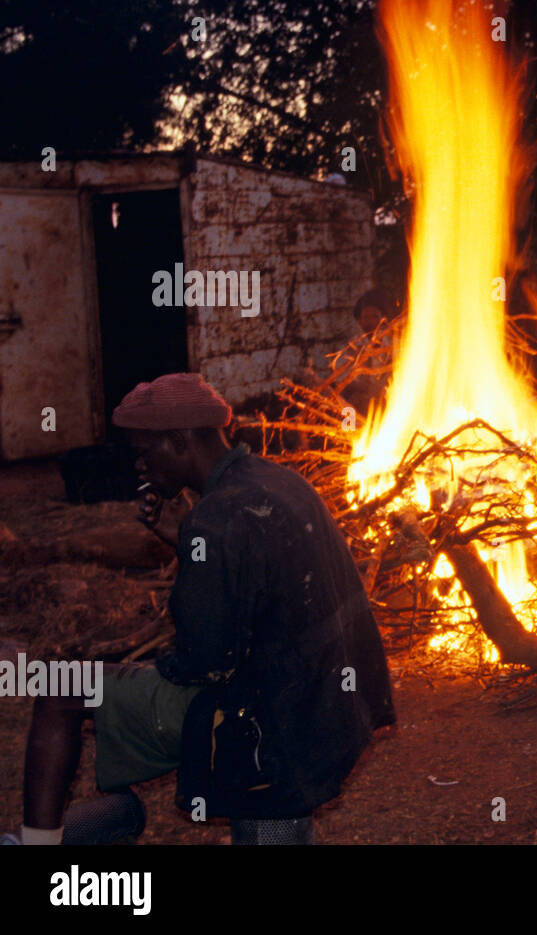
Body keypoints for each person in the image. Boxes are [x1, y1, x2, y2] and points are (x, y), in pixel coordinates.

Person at [10, 373, 395, 844]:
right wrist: (186, 544)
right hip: (325, 701)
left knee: (60, 687)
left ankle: (38, 844)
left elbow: (202, 659)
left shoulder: (214, 520)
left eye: (144, 453)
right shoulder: (280, 482)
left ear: (177, 442)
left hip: (259, 716)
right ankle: (116, 817)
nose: (139, 468)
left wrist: (159, 655)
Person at [334, 287, 401, 418]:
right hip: (360, 401)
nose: (370, 322)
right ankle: (348, 434)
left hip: (389, 399)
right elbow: (343, 380)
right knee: (347, 402)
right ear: (359, 321)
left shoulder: (395, 346)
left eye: (374, 316)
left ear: (383, 319)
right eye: (365, 317)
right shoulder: (353, 348)